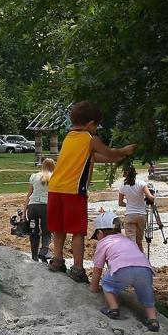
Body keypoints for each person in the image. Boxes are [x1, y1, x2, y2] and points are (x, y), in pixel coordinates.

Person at [47, 101, 135, 283]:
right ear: (90, 124)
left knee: (59, 227)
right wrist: (125, 151)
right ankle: (78, 269)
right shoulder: (91, 139)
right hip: (74, 191)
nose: (97, 129)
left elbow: (96, 157)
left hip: (55, 189)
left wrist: (118, 157)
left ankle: (57, 260)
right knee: (77, 231)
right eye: (96, 126)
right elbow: (109, 153)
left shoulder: (69, 137)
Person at [87, 210, 159, 331]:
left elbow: (97, 269)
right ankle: (153, 319)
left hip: (122, 269)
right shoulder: (128, 241)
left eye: (96, 236)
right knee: (146, 292)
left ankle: (113, 308)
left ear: (99, 233)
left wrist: (94, 288)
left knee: (107, 283)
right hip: (144, 268)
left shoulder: (103, 243)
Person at [24, 158, 55, 262]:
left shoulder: (34, 176)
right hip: (46, 206)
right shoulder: (54, 177)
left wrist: (24, 211)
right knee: (47, 231)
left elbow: (29, 194)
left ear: (42, 165)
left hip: (33, 206)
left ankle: (34, 256)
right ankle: (44, 251)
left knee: (34, 231)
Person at [117, 166, 153, 252]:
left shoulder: (123, 186)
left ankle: (133, 260)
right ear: (135, 174)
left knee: (131, 242)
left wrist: (129, 205)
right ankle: (142, 259)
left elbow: (120, 203)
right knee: (139, 241)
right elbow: (150, 197)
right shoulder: (141, 184)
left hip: (130, 214)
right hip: (141, 215)